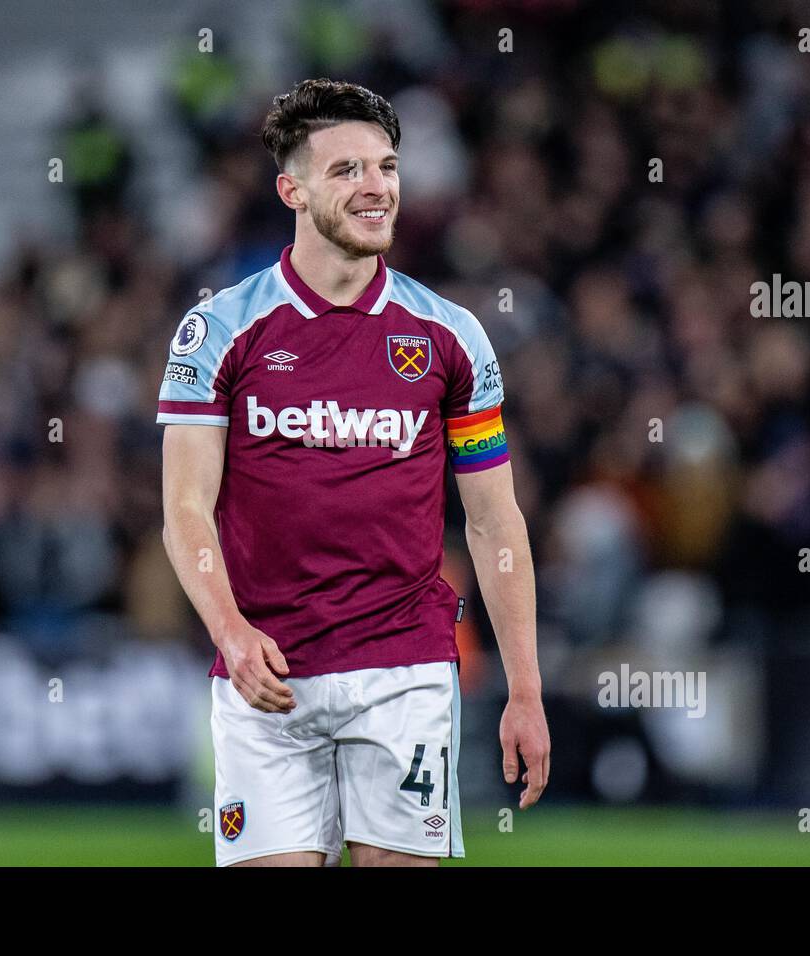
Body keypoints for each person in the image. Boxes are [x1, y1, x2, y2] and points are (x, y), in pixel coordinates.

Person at [158, 78, 548, 867]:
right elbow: (186, 509)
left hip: (406, 670)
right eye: (347, 170)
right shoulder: (219, 331)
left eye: (387, 167)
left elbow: (493, 520)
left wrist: (525, 687)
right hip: (267, 673)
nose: (376, 187)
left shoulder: (450, 336)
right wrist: (231, 633)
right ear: (292, 191)